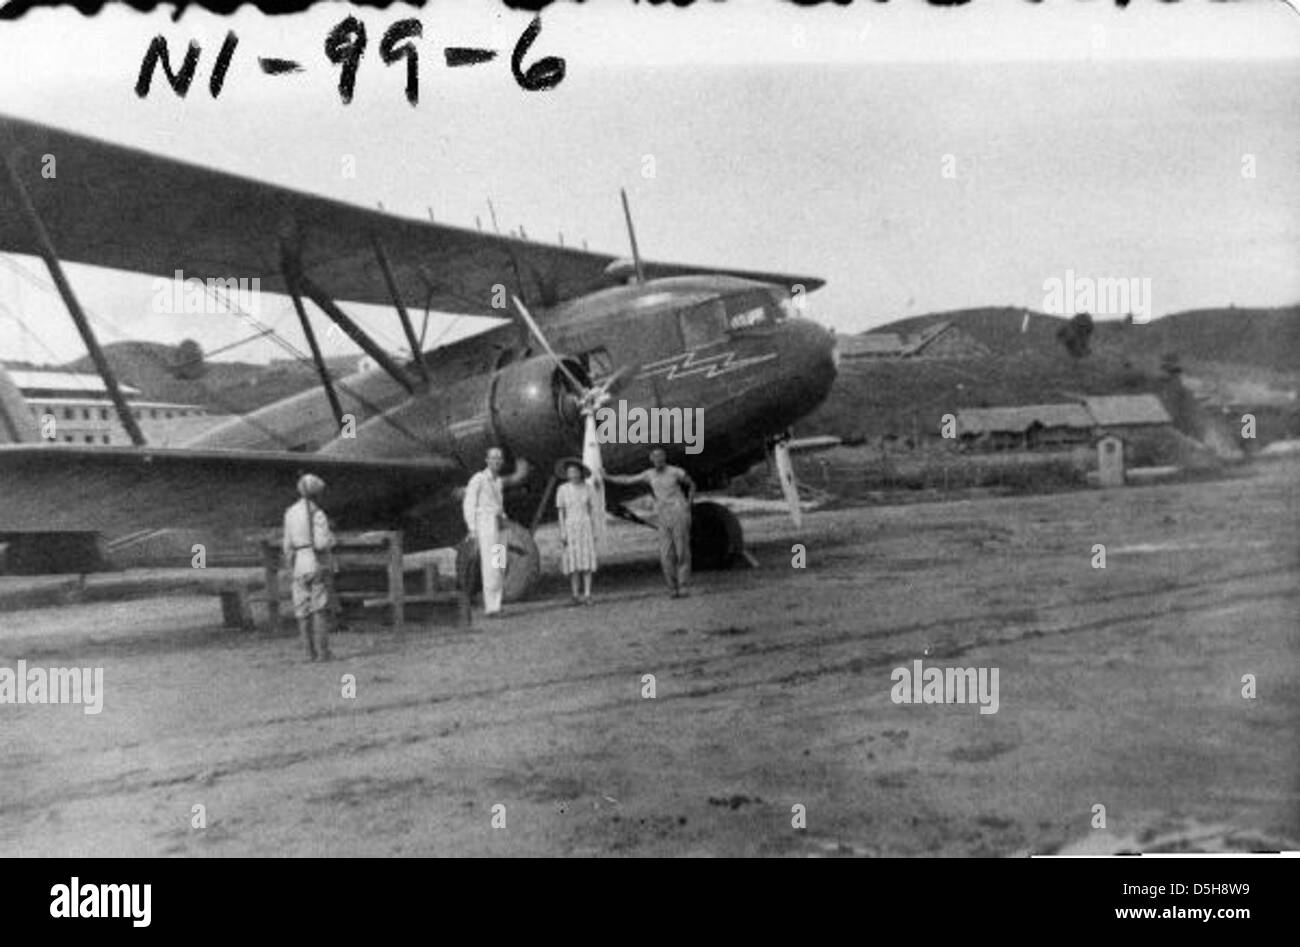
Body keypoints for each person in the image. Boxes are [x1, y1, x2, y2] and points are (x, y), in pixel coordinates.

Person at [605, 447, 696, 597]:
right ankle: (672, 587)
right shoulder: (649, 474)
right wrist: (607, 477)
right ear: (651, 460)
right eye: (655, 458)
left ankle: (683, 585)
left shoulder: (675, 471)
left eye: (660, 458)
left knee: (682, 550)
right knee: (666, 553)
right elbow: (628, 479)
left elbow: (691, 484)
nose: (658, 461)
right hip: (662, 514)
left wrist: (688, 503)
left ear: (664, 458)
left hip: (678, 511)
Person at [462, 446, 531, 618]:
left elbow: (498, 505)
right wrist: (472, 528)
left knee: (499, 564)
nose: (497, 461)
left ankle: (497, 604)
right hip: (485, 524)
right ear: (486, 460)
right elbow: (469, 503)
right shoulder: (478, 479)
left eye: (499, 458)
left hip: (499, 525)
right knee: (490, 567)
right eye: (493, 458)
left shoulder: (497, 482)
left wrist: (503, 520)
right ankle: (491, 608)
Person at [282, 472, 335, 661]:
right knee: (319, 608)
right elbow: (321, 543)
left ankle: (308, 653)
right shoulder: (317, 513)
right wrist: (331, 538)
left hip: (298, 563)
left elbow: (287, 545)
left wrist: (290, 567)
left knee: (302, 611)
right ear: (316, 494)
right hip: (315, 562)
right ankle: (323, 652)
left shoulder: (290, 513)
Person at [555, 457, 598, 606]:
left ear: (580, 473)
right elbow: (561, 512)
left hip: (584, 525)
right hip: (570, 526)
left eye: (575, 471)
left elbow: (592, 510)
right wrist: (563, 531)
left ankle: (587, 593)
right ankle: (575, 594)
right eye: (570, 472)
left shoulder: (588, 489)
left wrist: (594, 530)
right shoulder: (562, 489)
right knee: (573, 563)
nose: (572, 474)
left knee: (586, 561)